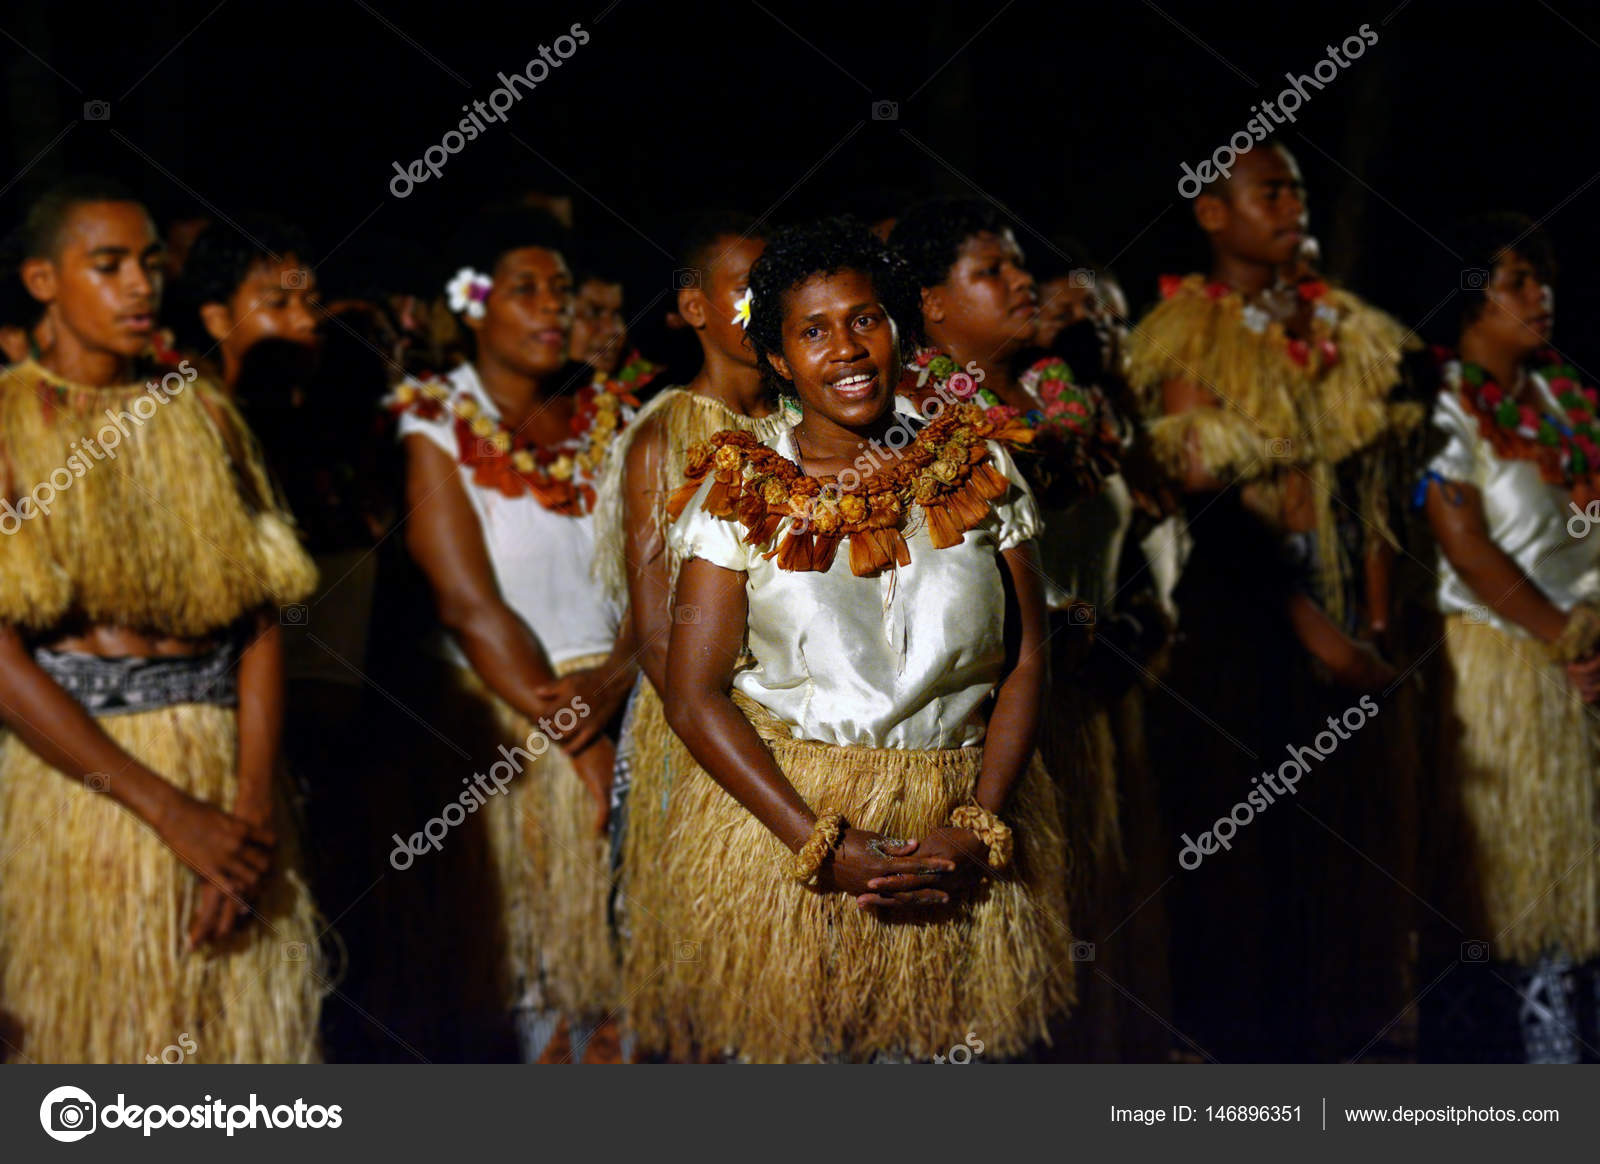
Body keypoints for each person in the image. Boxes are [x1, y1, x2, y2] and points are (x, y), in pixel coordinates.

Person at [660, 217, 1073, 1062]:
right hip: (795, 836)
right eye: (812, 331)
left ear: (899, 330)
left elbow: (1029, 658)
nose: (846, 348)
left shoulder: (980, 465)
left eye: (865, 319)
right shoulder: (737, 487)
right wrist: (822, 843)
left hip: (956, 818)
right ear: (778, 359)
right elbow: (693, 693)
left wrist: (979, 823)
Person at [0, 178, 325, 1063]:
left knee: (241, 1054)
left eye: (148, 263)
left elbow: (260, 618)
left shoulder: (203, 413)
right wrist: (166, 811)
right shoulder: (5, 424)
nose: (141, 286)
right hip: (87, 794)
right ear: (42, 281)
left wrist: (250, 812)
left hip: (229, 774)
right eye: (107, 266)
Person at [1126, 140, 1421, 1060]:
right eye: (1269, 189)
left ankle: (1333, 1053)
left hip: (1341, 621)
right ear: (1213, 213)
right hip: (1239, 629)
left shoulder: (1342, 330)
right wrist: (1317, 636)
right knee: (1247, 864)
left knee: (1341, 855)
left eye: (1298, 186)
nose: (1293, 201)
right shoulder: (1187, 333)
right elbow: (1207, 497)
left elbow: (1370, 498)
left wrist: (1368, 627)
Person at [892, 201, 1166, 1060]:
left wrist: (1133, 617)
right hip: (990, 722)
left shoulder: (1061, 393)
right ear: (932, 305)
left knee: (1096, 934)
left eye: (1019, 266)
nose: (1022, 283)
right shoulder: (908, 418)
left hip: (1096, 707)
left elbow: (1129, 530)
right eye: (993, 271)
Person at [392, 206, 637, 1062]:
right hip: (510, 728)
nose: (551, 309)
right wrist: (582, 743)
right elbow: (469, 604)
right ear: (470, 302)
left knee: (636, 990)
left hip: (628, 700)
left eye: (561, 292)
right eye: (524, 290)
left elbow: (662, 577)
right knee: (543, 978)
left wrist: (615, 696)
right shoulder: (431, 421)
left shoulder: (611, 415)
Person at [589, 213, 796, 1056]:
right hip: (701, 736)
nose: (766, 305)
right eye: (746, 288)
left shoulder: (807, 426)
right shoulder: (666, 438)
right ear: (694, 308)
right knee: (701, 982)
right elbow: (656, 631)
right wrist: (756, 745)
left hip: (806, 735)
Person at [1417, 215, 1600, 1062]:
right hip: (1506, 664)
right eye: (1518, 279)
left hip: (1587, 657)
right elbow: (1467, 545)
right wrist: (1568, 642)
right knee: (1518, 873)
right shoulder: (1443, 406)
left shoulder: (1567, 397)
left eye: (1545, 277)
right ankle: (1521, 1068)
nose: (1541, 294)